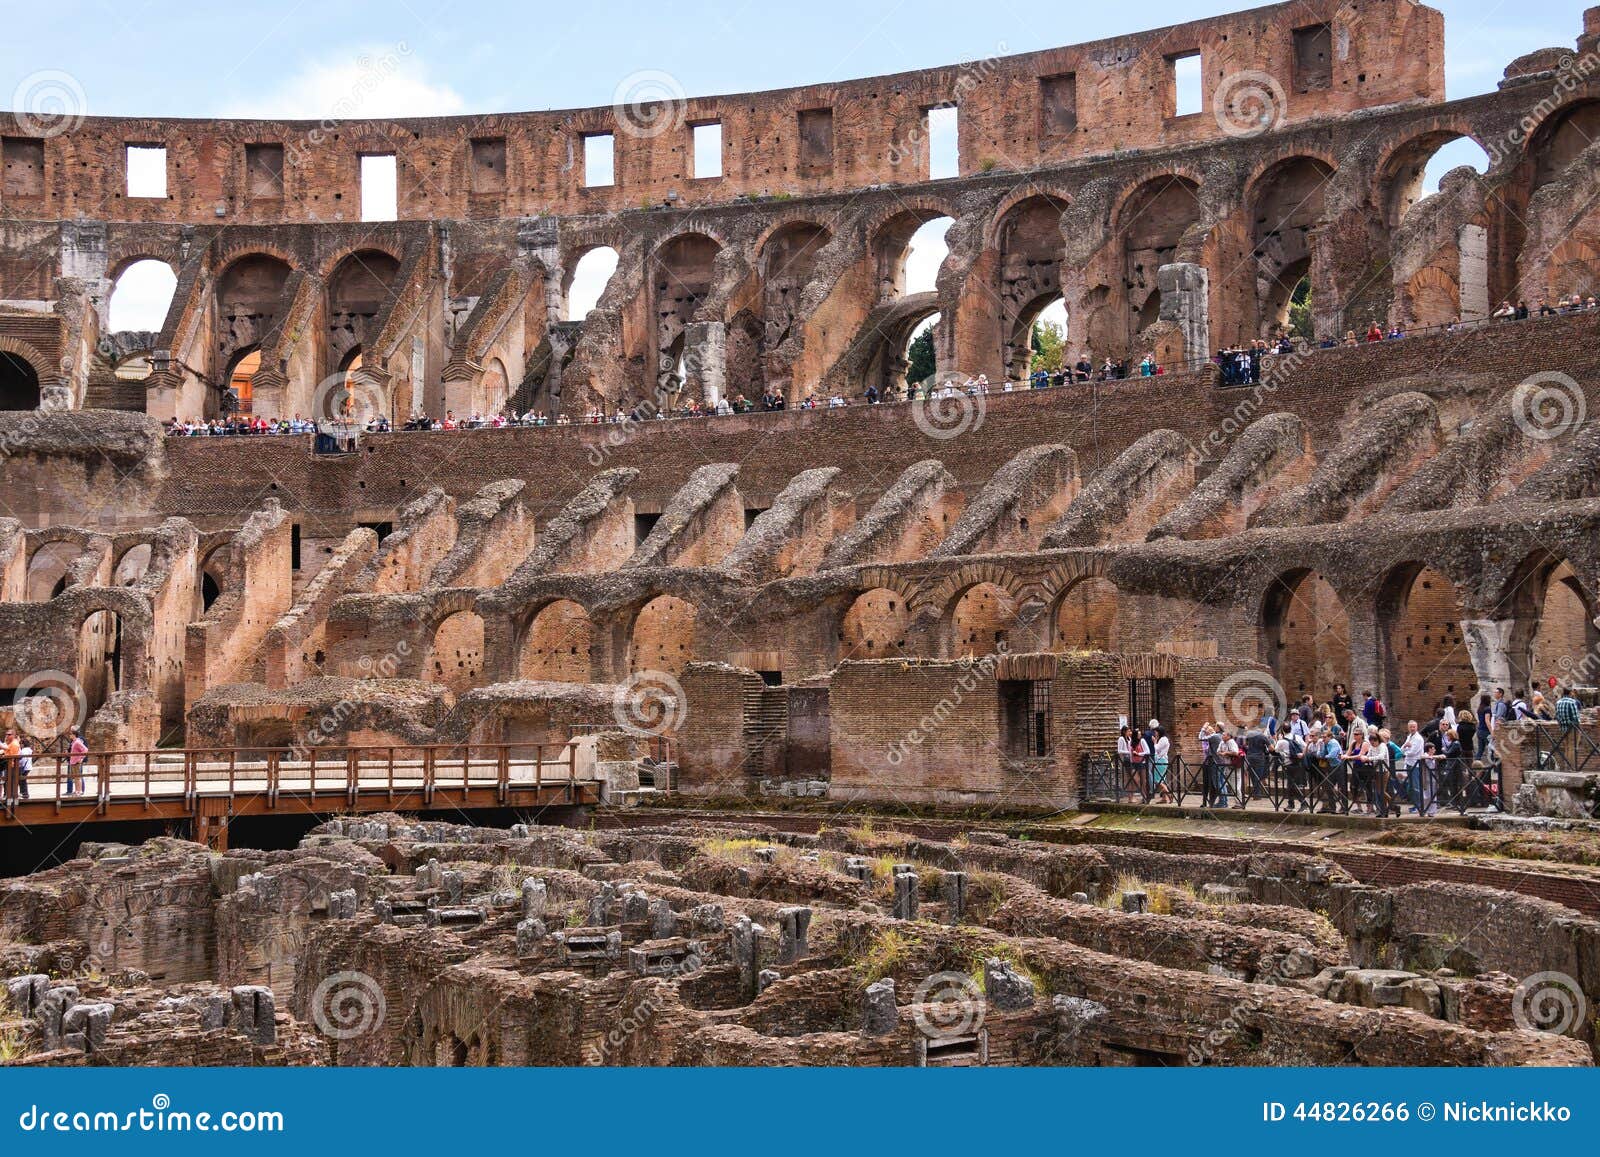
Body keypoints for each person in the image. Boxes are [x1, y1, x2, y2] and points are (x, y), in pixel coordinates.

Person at [67, 729, 88, 796]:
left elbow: (85, 749)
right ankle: (76, 790)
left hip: (76, 762)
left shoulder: (77, 742)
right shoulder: (73, 742)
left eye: (70, 734)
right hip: (73, 762)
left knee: (78, 777)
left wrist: (81, 758)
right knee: (75, 777)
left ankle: (79, 791)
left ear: (74, 735)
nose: (69, 735)